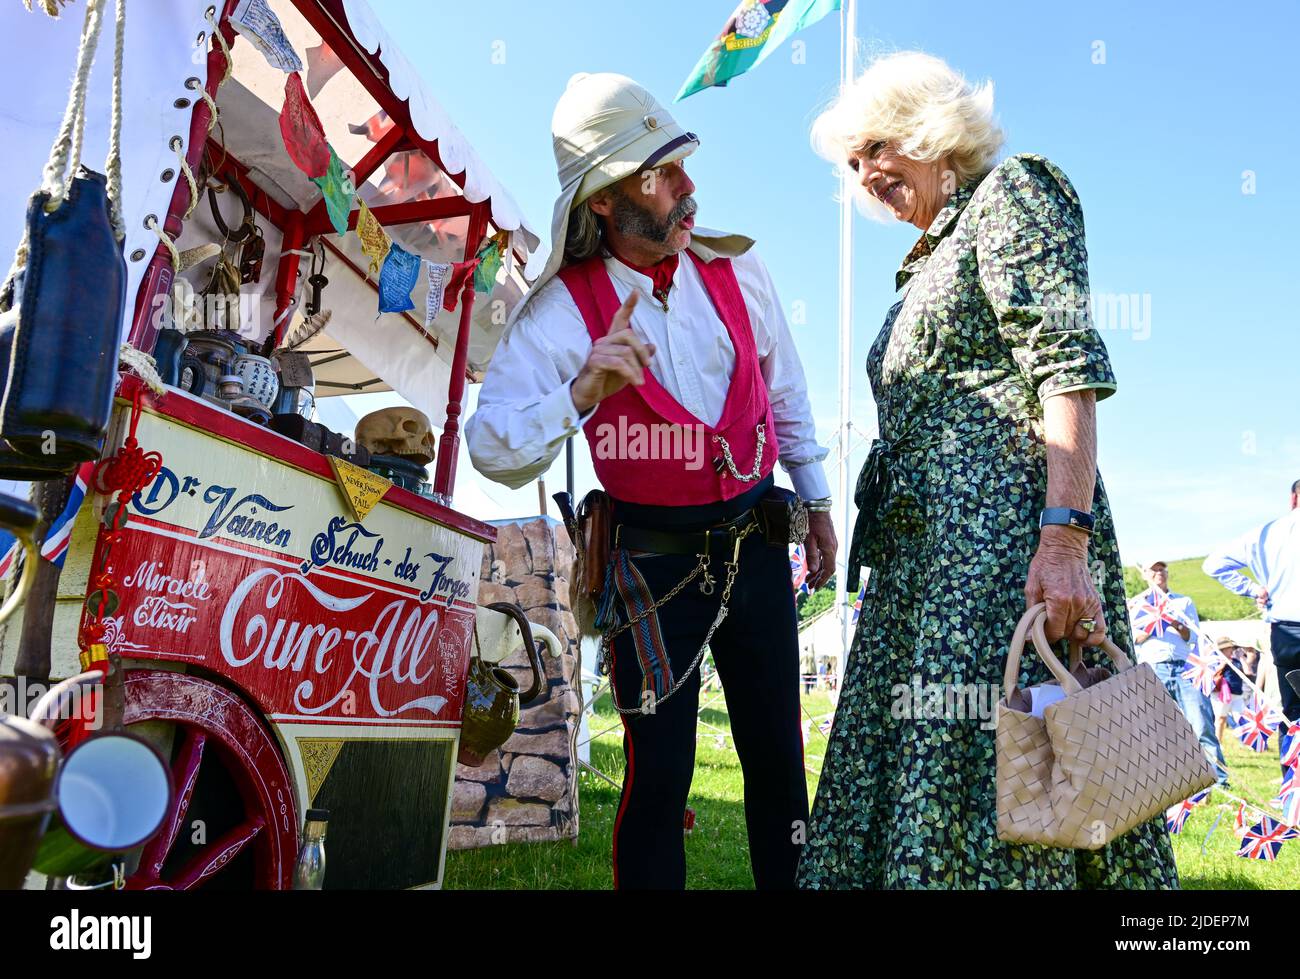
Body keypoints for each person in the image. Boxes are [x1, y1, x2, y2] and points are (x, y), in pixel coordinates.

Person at [795, 50, 1177, 889]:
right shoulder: (921, 266)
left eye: (875, 149)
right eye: (853, 166)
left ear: (930, 130)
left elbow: (1063, 364)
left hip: (998, 554)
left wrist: (1065, 538)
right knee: (930, 770)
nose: (865, 176)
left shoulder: (1015, 194)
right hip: (916, 573)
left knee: (1002, 766)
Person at [465, 73, 835, 890]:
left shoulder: (741, 271)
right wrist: (580, 392)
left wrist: (815, 500)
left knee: (779, 759)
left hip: (757, 539)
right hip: (650, 562)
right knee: (659, 776)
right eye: (656, 173)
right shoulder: (564, 312)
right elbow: (490, 446)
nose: (686, 186)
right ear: (602, 201)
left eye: (680, 165)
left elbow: (786, 390)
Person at [1203, 480, 1300, 775]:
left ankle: (1293, 800)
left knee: (1294, 715)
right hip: (1287, 631)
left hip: (1287, 634)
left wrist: (1253, 590)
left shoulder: (1267, 534)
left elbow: (1213, 564)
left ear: (1293, 499)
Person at [1124, 560, 1230, 785]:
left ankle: (1219, 779)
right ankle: (1166, 780)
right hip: (1153, 667)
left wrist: (1175, 622)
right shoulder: (1137, 604)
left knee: (1201, 723)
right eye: (1154, 569)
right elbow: (1134, 639)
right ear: (1146, 575)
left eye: (1162, 569)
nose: (1159, 573)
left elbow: (1192, 636)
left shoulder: (1183, 601)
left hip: (1183, 665)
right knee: (1155, 726)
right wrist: (1156, 623)